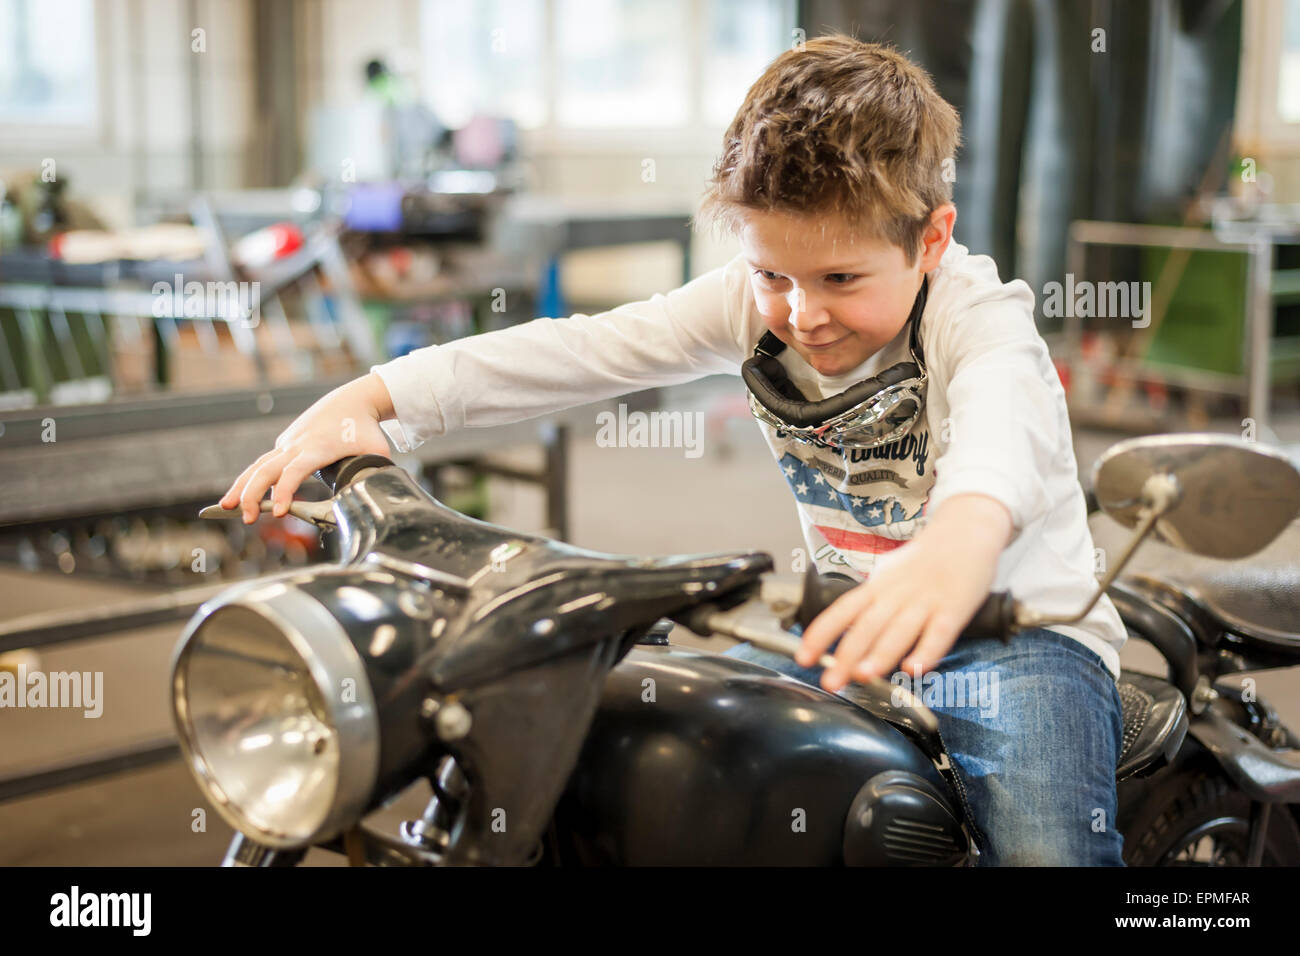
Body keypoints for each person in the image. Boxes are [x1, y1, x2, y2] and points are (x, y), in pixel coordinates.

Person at [220, 34, 1127, 866]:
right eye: (774, 274)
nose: (803, 314)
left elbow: (1002, 426)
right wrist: (377, 396)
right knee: (726, 772)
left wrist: (962, 544)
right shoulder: (748, 302)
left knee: (1047, 853)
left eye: (841, 279)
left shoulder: (978, 318)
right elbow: (581, 350)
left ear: (931, 238)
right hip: (855, 618)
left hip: (1021, 638)